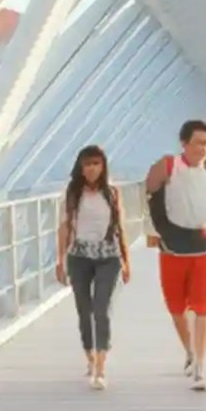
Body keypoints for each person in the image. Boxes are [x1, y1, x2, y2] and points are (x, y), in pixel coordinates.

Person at [144, 119, 206, 391]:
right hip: (173, 247)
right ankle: (190, 352)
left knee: (202, 307)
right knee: (177, 307)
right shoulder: (168, 166)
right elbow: (147, 194)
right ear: (184, 143)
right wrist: (150, 230)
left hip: (205, 249)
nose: (203, 149)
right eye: (198, 143)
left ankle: (201, 368)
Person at [55, 145, 130, 391]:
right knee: (84, 310)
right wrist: (60, 260)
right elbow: (64, 228)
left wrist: (127, 261)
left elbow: (121, 227)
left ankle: (100, 367)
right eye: (87, 164)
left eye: (97, 163)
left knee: (101, 309)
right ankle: (90, 354)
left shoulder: (112, 193)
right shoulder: (73, 194)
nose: (92, 169)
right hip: (79, 256)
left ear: (104, 166)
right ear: (80, 167)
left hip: (108, 256)